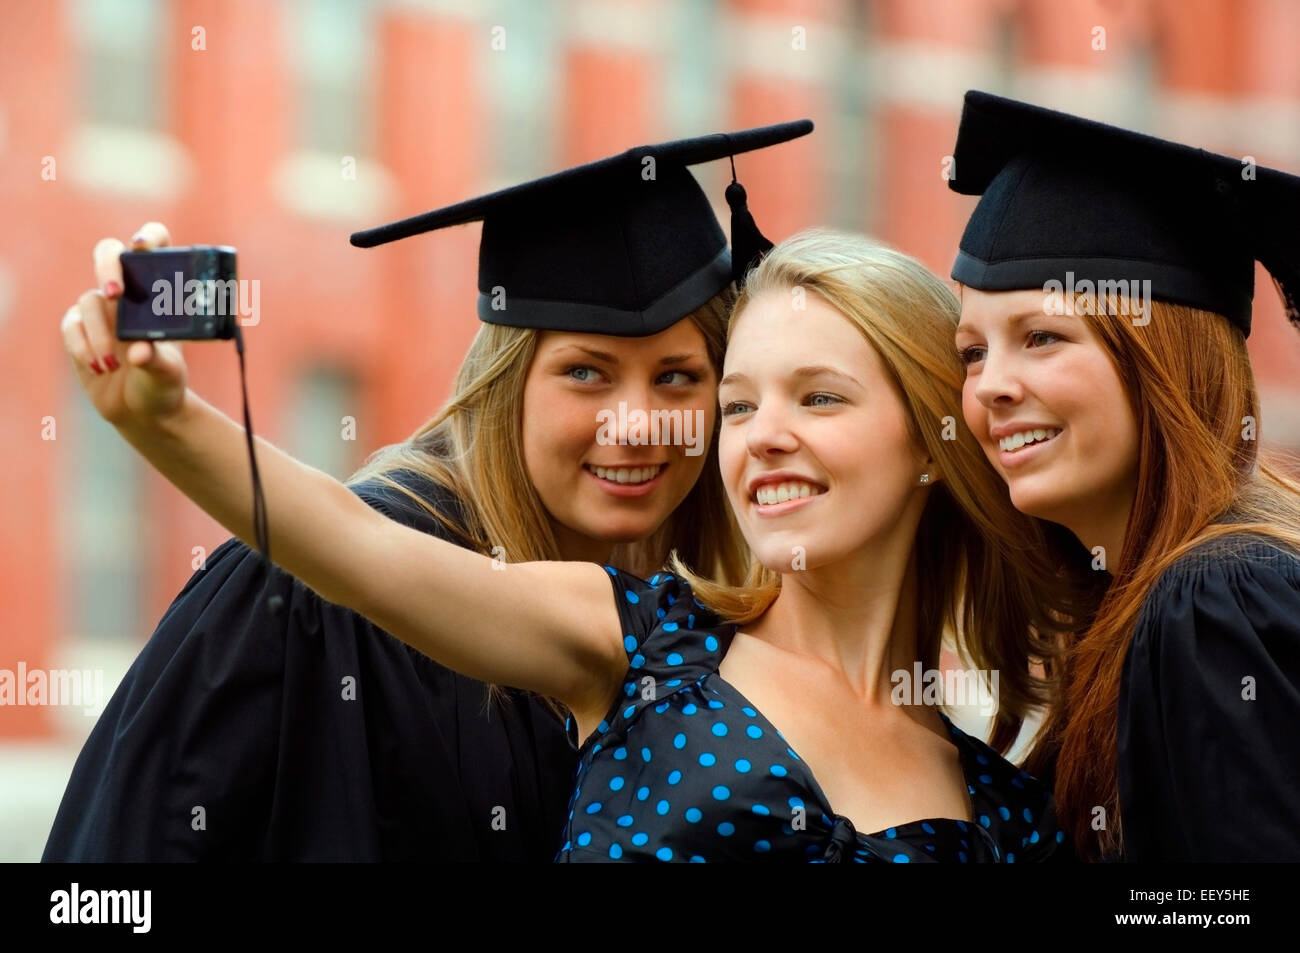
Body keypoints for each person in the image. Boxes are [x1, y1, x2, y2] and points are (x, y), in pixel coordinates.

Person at [59, 217, 1089, 861]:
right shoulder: (644, 646)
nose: (647, 425)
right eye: (740, 403)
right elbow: (350, 545)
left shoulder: (1005, 796)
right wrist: (165, 419)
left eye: (817, 397)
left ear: (930, 439)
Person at [43, 121, 812, 861]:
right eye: (585, 371)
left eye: (678, 376)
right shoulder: (322, 587)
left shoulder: (683, 623)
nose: (637, 425)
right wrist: (165, 419)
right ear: (507, 384)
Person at [949, 90, 1300, 861]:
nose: (990, 386)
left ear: (1162, 362)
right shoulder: (1143, 603)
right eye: (972, 352)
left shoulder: (1214, 601)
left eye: (1041, 336)